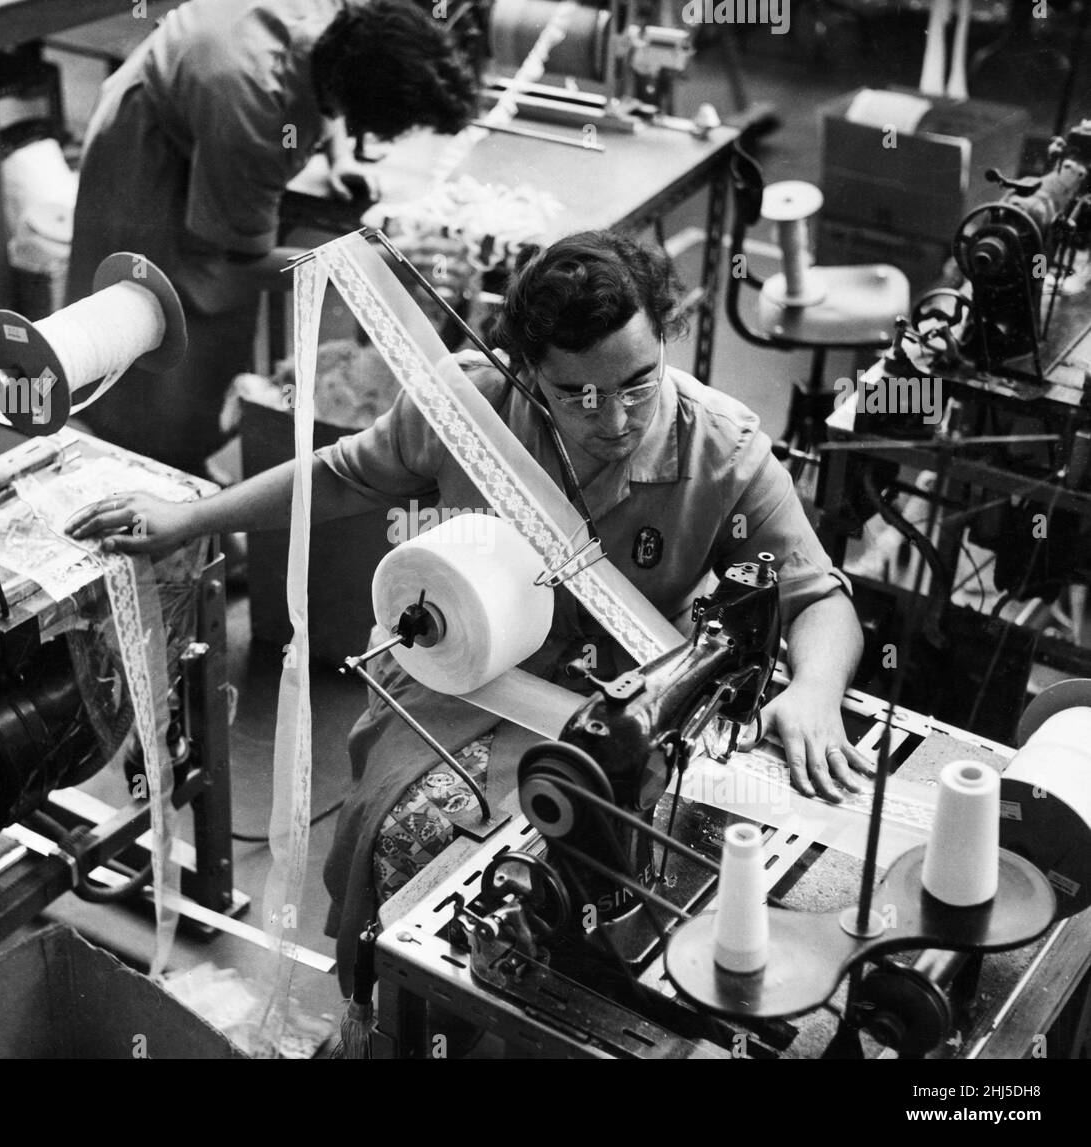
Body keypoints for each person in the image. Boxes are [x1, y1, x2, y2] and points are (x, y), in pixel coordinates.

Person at [65, 231, 870, 989]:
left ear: (665, 342)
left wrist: (813, 689)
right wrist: (193, 515)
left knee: (628, 892)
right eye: (579, 398)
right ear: (523, 371)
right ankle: (418, 1010)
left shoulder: (720, 452)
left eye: (639, 384)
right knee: (407, 839)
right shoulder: (470, 408)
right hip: (467, 679)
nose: (617, 423)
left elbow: (818, 596)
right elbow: (344, 473)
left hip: (622, 711)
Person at [65, 0, 477, 475]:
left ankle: (189, 450)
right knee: (163, 318)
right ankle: (152, 465)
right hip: (147, 152)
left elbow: (339, 80)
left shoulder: (345, 28)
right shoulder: (249, 105)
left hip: (210, 106)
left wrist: (340, 154)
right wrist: (363, 262)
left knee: (218, 334)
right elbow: (236, 262)